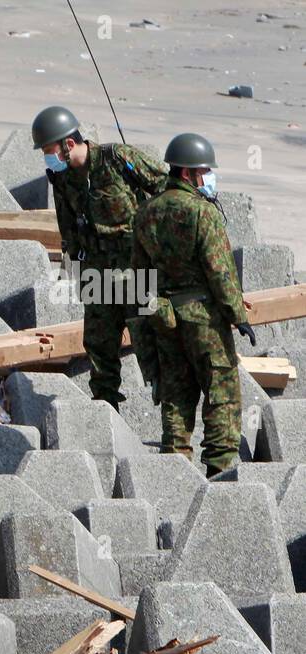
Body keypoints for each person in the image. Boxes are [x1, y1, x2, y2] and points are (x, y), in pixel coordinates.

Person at [132, 133, 254, 478]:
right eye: (203, 171)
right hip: (204, 319)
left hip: (165, 319)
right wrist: (238, 316)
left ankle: (176, 472)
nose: (208, 176)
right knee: (222, 393)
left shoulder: (145, 212)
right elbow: (220, 271)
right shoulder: (202, 212)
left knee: (175, 396)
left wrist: (150, 318)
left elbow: (139, 277)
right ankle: (221, 472)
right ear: (187, 173)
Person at [32, 105, 168, 408]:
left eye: (49, 150)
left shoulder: (117, 158)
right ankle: (106, 414)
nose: (47, 157)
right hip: (96, 271)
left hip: (136, 269)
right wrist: (74, 269)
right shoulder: (62, 178)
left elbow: (167, 188)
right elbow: (68, 226)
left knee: (150, 344)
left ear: (69, 144)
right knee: (98, 345)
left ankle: (173, 425)